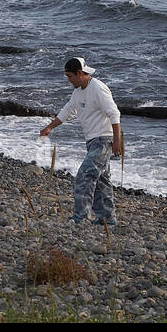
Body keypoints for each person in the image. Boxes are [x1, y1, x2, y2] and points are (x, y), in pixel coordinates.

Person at [40, 57, 124, 225]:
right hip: (91, 141)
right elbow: (68, 110)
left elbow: (114, 114)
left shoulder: (98, 88)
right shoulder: (78, 91)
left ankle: (80, 217)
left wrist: (117, 141)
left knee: (84, 176)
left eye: (70, 76)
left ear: (80, 73)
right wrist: (50, 127)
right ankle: (107, 219)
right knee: (102, 181)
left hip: (104, 140)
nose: (69, 80)